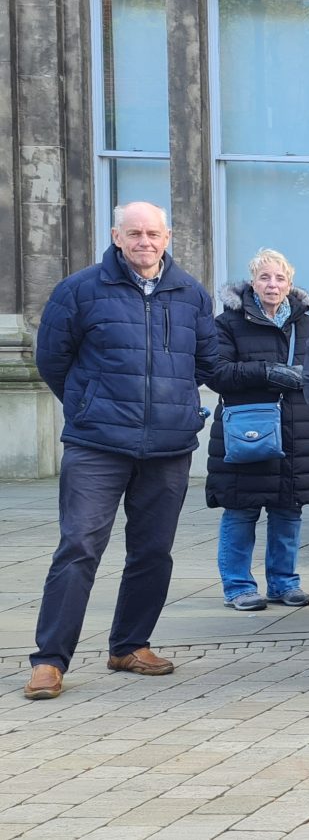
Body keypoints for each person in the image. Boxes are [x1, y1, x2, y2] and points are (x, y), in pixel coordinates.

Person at [25, 201, 220, 701]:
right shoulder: (79, 290)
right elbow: (52, 359)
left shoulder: (191, 293)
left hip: (168, 448)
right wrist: (89, 405)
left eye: (153, 233)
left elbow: (206, 361)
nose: (144, 242)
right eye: (134, 233)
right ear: (116, 236)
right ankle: (50, 661)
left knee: (152, 552)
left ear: (167, 236)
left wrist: (176, 405)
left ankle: (130, 645)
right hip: (97, 445)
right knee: (79, 548)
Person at [206, 248, 309, 613]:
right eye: (265, 277)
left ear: (290, 283)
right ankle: (238, 586)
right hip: (248, 430)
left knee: (289, 510)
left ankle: (284, 582)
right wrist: (267, 371)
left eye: (280, 278)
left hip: (296, 431)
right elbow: (216, 373)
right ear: (252, 282)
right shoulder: (228, 323)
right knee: (241, 510)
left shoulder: (306, 324)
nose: (273, 284)